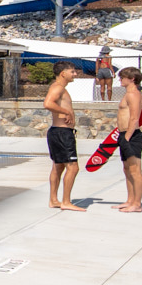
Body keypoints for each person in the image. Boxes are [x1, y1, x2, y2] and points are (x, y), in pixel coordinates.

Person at [44, 63, 83, 211]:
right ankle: (66, 201)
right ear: (62, 73)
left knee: (58, 166)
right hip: (62, 133)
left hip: (58, 132)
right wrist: (66, 112)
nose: (75, 74)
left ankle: (54, 200)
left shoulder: (59, 88)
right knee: (73, 168)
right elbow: (47, 103)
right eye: (72, 71)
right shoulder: (58, 88)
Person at [115, 67, 142, 213]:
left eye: (122, 77)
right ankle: (130, 200)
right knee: (127, 169)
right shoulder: (128, 94)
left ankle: (137, 204)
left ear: (132, 79)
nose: (120, 79)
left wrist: (127, 137)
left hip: (132, 136)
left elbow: (134, 118)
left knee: (135, 171)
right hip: (124, 135)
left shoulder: (133, 94)